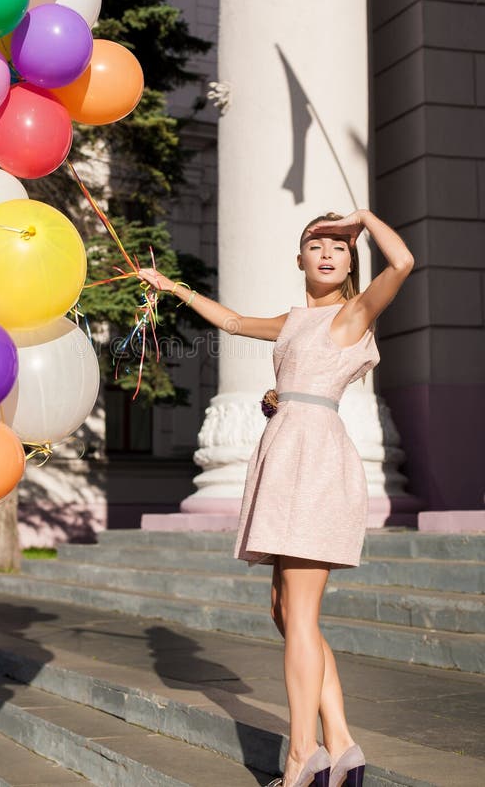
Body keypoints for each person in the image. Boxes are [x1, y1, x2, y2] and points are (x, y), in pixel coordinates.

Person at [138, 208, 414, 787]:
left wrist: (362, 216)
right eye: (317, 244)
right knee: (285, 612)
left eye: (340, 247)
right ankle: (341, 745)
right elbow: (234, 323)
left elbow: (405, 262)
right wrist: (171, 288)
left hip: (315, 464)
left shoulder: (353, 314)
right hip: (285, 456)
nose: (329, 253)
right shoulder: (293, 321)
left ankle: (302, 755)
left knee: (302, 613)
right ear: (300, 259)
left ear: (350, 263)